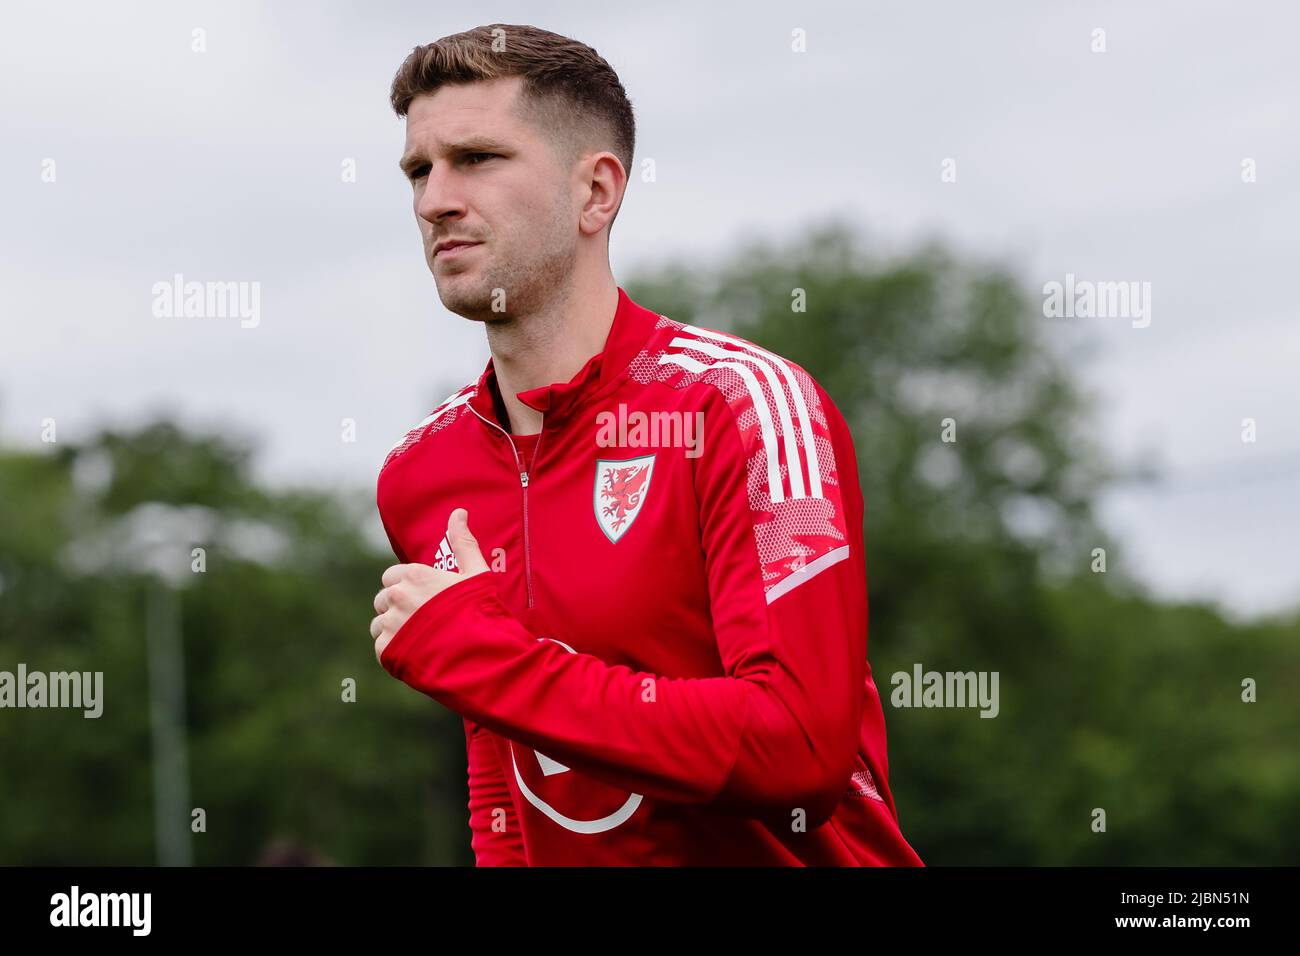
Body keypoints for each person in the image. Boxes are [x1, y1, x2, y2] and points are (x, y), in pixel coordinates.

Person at [370, 23, 922, 866]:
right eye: (419, 168)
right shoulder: (420, 474)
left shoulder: (748, 408)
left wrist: (481, 655)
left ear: (596, 192)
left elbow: (800, 749)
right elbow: (504, 778)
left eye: (476, 158)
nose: (433, 199)